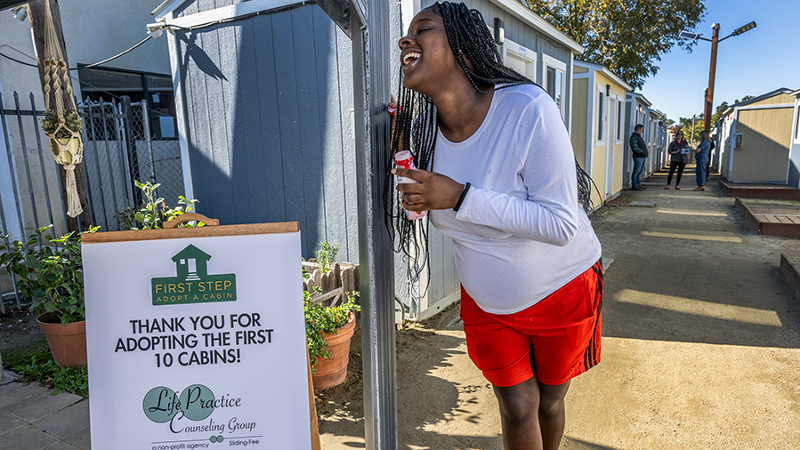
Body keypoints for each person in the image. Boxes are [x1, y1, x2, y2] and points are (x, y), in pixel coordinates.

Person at [387, 3, 603, 449]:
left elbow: (561, 223)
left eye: (422, 29)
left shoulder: (527, 109)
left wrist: (460, 196)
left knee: (547, 402)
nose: (407, 40)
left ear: (463, 45)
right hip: (487, 302)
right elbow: (427, 210)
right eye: (406, 34)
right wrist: (411, 179)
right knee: (516, 406)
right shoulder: (422, 132)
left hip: (563, 289)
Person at [629, 124, 648, 190]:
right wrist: (642, 152)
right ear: (639, 129)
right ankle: (634, 185)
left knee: (640, 171)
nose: (642, 131)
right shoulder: (634, 137)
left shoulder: (639, 137)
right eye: (642, 129)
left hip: (642, 157)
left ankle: (638, 183)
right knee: (636, 171)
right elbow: (635, 147)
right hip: (638, 157)